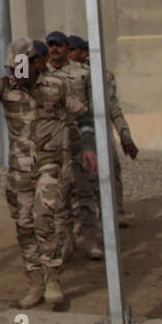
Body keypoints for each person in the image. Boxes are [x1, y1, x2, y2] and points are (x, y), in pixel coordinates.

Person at [0, 38, 89, 307]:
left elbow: (82, 115)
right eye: (12, 68)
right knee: (23, 225)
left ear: (37, 62)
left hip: (50, 164)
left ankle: (53, 277)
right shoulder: (3, 87)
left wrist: (84, 150)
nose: (16, 73)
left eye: (21, 66)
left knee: (43, 217)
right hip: (19, 169)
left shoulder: (57, 86)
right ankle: (34, 281)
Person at [69, 36, 137, 226]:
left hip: (100, 130)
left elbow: (113, 108)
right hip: (76, 131)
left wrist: (125, 137)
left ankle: (115, 211)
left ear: (83, 52)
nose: (69, 53)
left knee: (111, 170)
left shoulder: (103, 76)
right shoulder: (63, 76)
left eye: (73, 50)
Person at [46, 31, 103, 258]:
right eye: (50, 45)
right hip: (55, 143)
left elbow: (93, 109)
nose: (54, 49)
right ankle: (66, 239)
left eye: (58, 45)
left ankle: (90, 239)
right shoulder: (42, 75)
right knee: (60, 195)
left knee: (85, 191)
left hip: (79, 140)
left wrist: (93, 142)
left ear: (67, 47)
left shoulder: (83, 73)